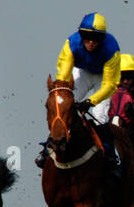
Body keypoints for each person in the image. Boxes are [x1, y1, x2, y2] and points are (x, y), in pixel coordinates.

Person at [34, 12, 125, 177]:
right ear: (80, 34)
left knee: (100, 115)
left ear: (102, 39)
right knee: (63, 105)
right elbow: (63, 75)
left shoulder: (112, 49)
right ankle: (48, 148)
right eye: (86, 36)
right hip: (82, 72)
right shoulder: (71, 43)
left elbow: (110, 85)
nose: (91, 42)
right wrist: (63, 93)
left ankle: (111, 158)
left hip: (103, 78)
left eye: (95, 38)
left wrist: (90, 101)